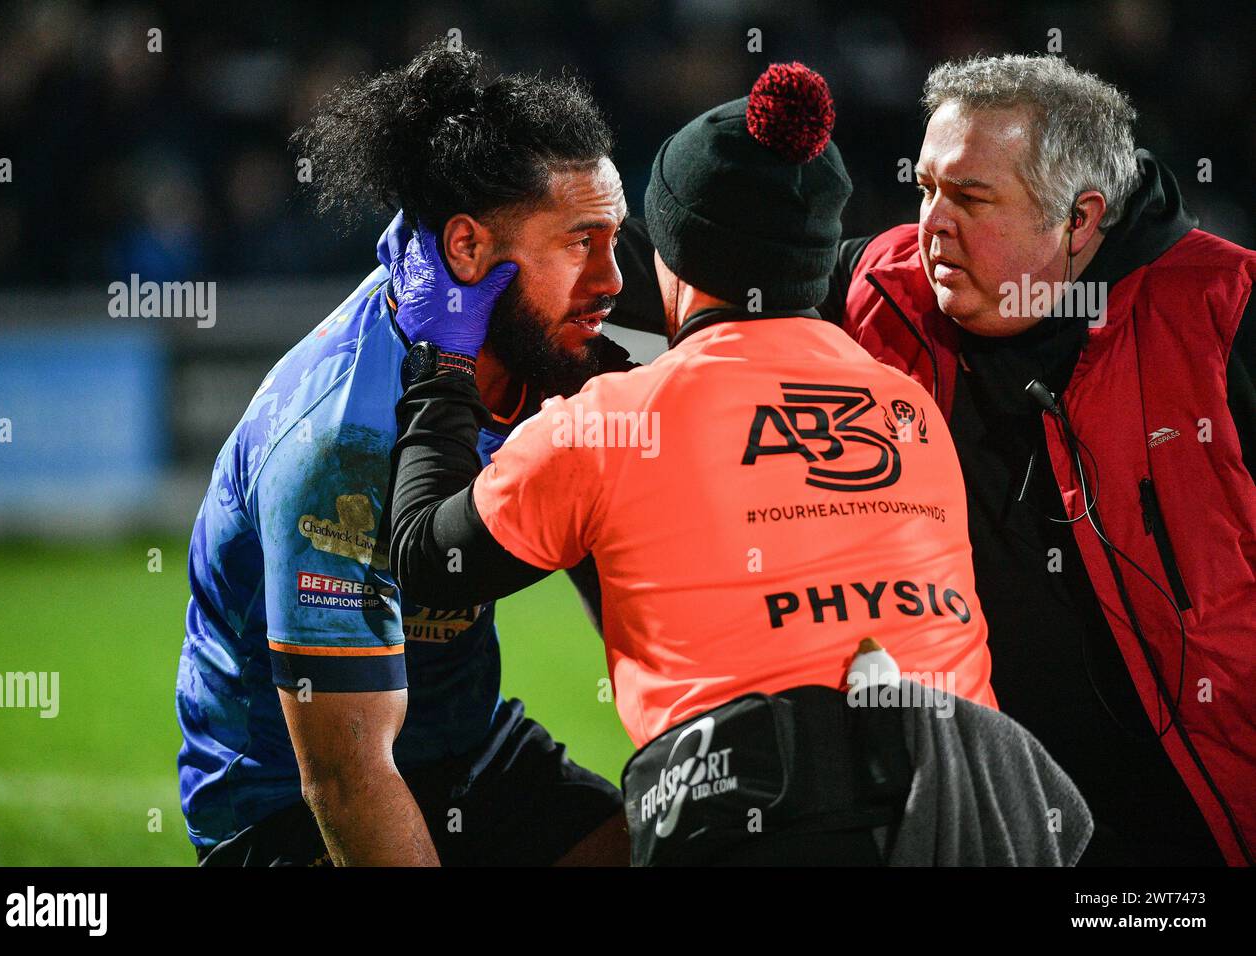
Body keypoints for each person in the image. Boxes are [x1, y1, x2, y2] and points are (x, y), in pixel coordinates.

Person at [388, 63, 1000, 865]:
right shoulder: (907, 405)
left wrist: (443, 367)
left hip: (757, 821)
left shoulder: (608, 428)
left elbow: (429, 558)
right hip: (978, 807)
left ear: (665, 251)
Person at [175, 39, 657, 866]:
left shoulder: (555, 345)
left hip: (465, 748)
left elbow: (615, 573)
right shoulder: (343, 438)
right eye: (581, 242)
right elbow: (346, 774)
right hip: (285, 801)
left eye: (616, 236)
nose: (614, 280)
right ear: (466, 250)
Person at [816, 54, 1256, 866]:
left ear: (1080, 220)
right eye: (927, 190)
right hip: (989, 832)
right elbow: (699, 270)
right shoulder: (887, 293)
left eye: (973, 198)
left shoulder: (1223, 317)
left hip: (1205, 830)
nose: (932, 226)